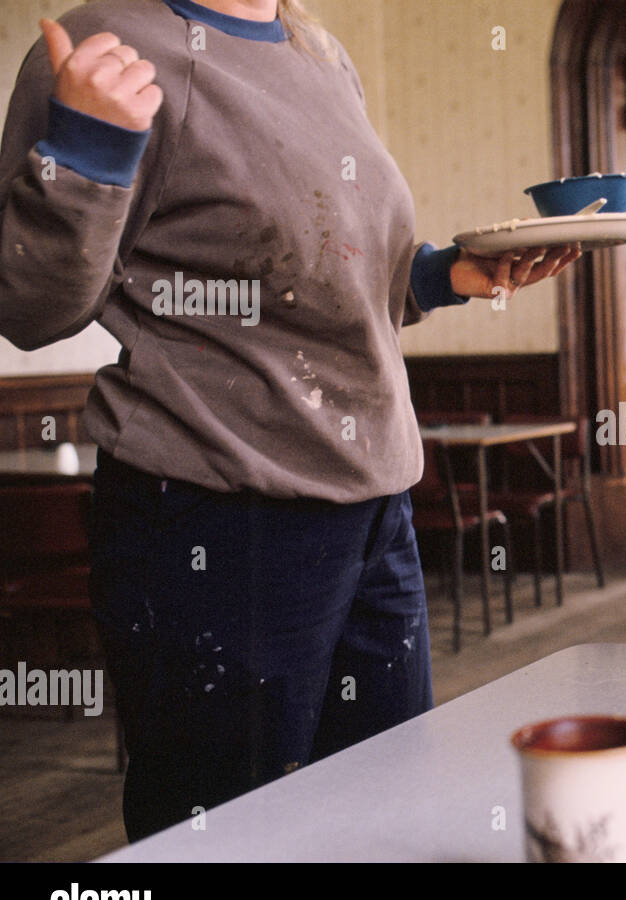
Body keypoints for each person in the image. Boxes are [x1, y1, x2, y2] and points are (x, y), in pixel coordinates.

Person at [0, 0, 578, 841]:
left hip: (377, 502)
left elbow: (322, 270)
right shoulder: (104, 42)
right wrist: (87, 152)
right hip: (214, 509)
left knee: (386, 814)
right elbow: (29, 306)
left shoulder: (321, 53)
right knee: (229, 834)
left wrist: (442, 273)